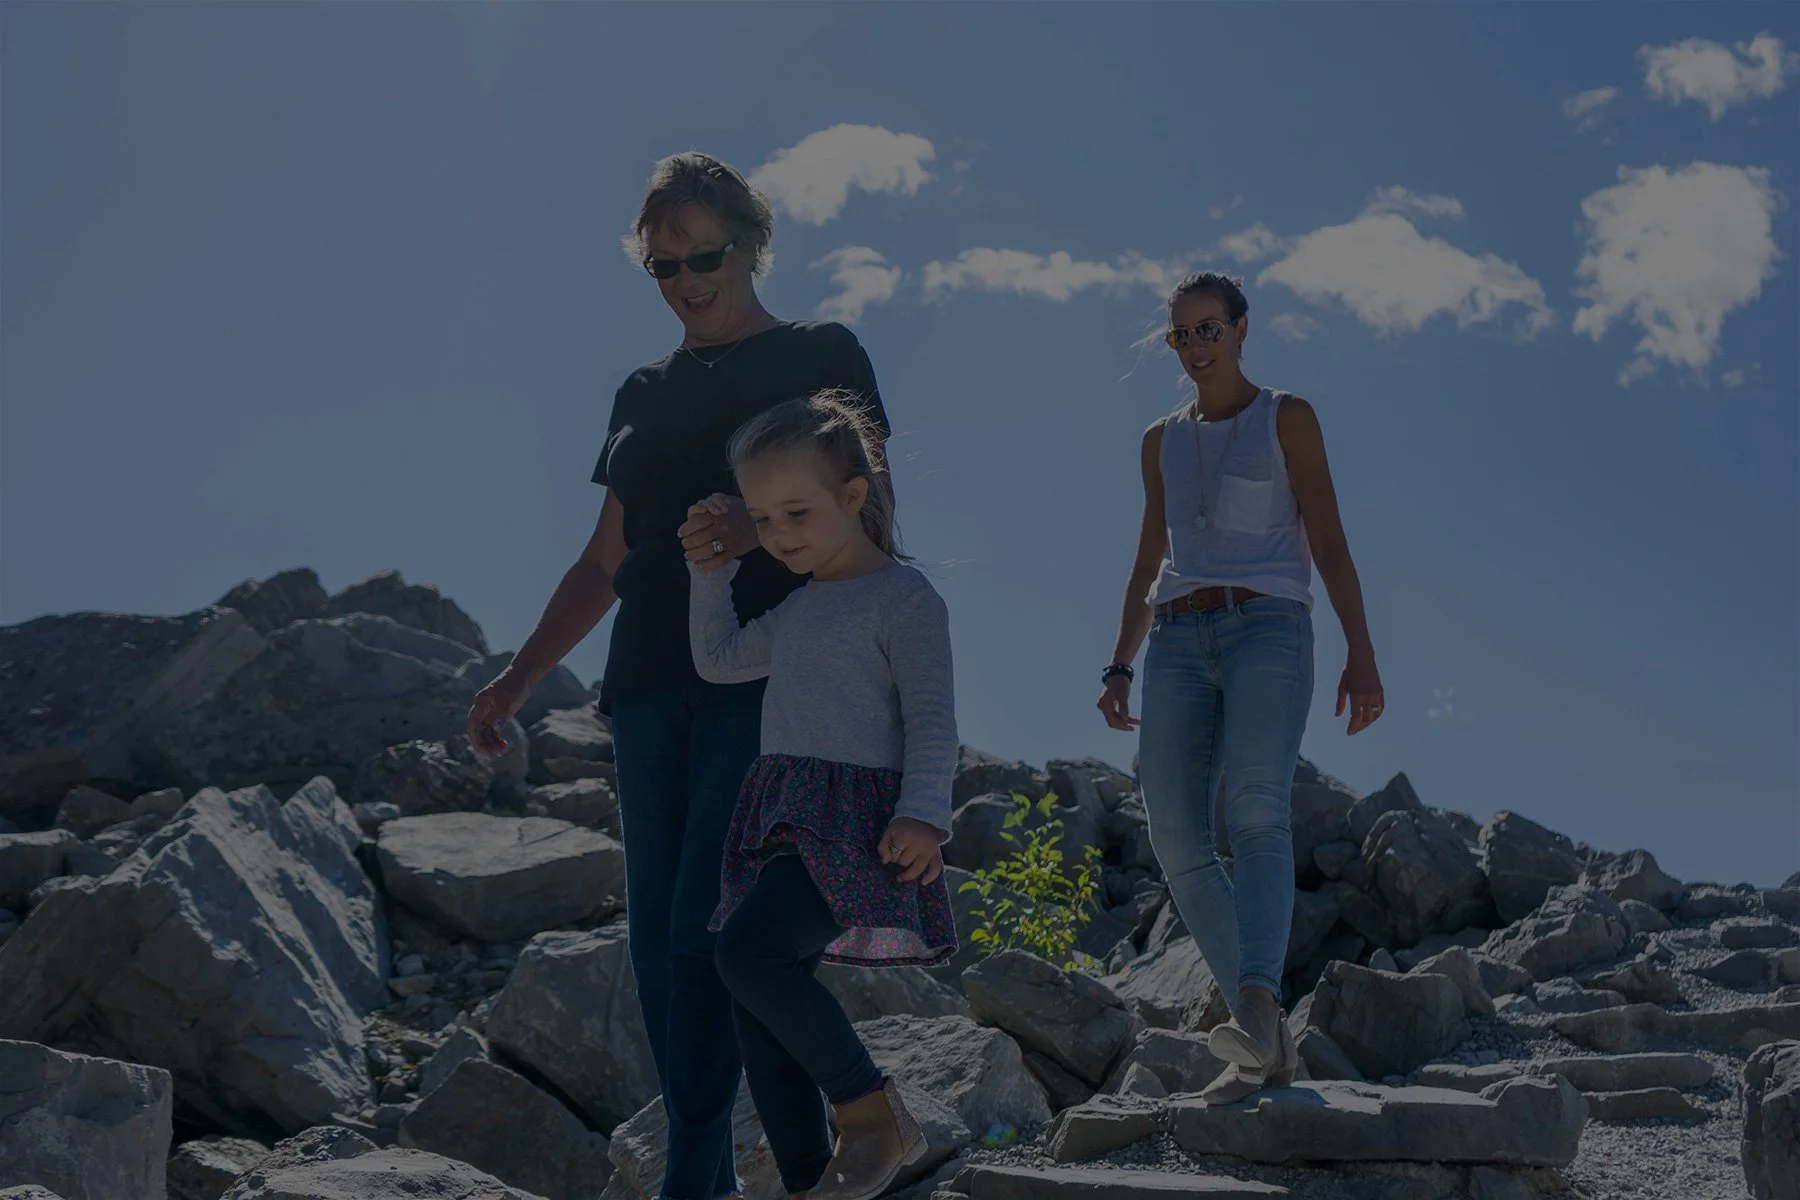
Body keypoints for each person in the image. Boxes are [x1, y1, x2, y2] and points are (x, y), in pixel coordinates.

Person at [465, 153, 889, 1200]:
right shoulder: (640, 392)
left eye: (706, 255)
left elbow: (872, 517)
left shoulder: (821, 353)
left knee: (711, 920)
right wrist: (519, 676)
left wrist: (764, 523)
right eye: (663, 266)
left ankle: (702, 1176)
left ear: (753, 243)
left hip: (769, 675)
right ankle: (778, 1170)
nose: (687, 279)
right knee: (658, 939)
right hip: (648, 687)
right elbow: (606, 557)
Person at [1096, 271, 1384, 1105]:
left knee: (1257, 806)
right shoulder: (1161, 440)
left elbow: (1328, 539)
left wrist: (1360, 653)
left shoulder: (1286, 416)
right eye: (1180, 335)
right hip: (1178, 638)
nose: (1195, 347)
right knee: (1177, 835)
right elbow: (1150, 555)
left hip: (1269, 628)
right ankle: (1267, 1036)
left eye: (1209, 329)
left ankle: (1254, 1008)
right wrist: (1120, 661)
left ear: (1242, 330)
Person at [688, 391, 956, 1200]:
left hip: (863, 826)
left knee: (746, 954)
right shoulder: (799, 606)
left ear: (853, 495)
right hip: (786, 818)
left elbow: (933, 717)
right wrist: (713, 572)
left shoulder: (905, 599)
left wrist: (925, 815)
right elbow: (720, 659)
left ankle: (873, 1111)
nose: (778, 534)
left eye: (795, 512)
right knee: (755, 994)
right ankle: (814, 1181)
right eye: (763, 520)